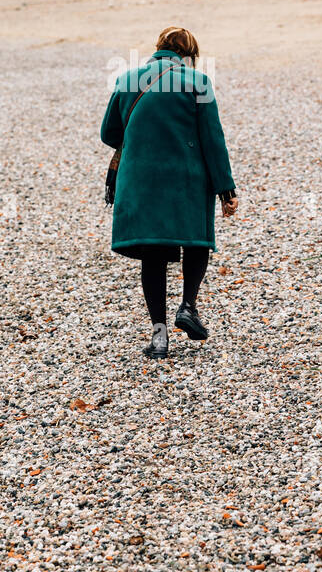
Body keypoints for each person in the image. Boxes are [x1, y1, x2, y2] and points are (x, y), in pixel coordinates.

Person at [100, 26, 237, 357]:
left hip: (141, 179)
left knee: (154, 255)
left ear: (159, 48)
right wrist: (225, 189)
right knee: (195, 241)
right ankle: (188, 306)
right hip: (186, 177)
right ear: (189, 54)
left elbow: (109, 133)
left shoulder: (128, 78)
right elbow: (212, 139)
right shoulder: (197, 82)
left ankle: (159, 336)